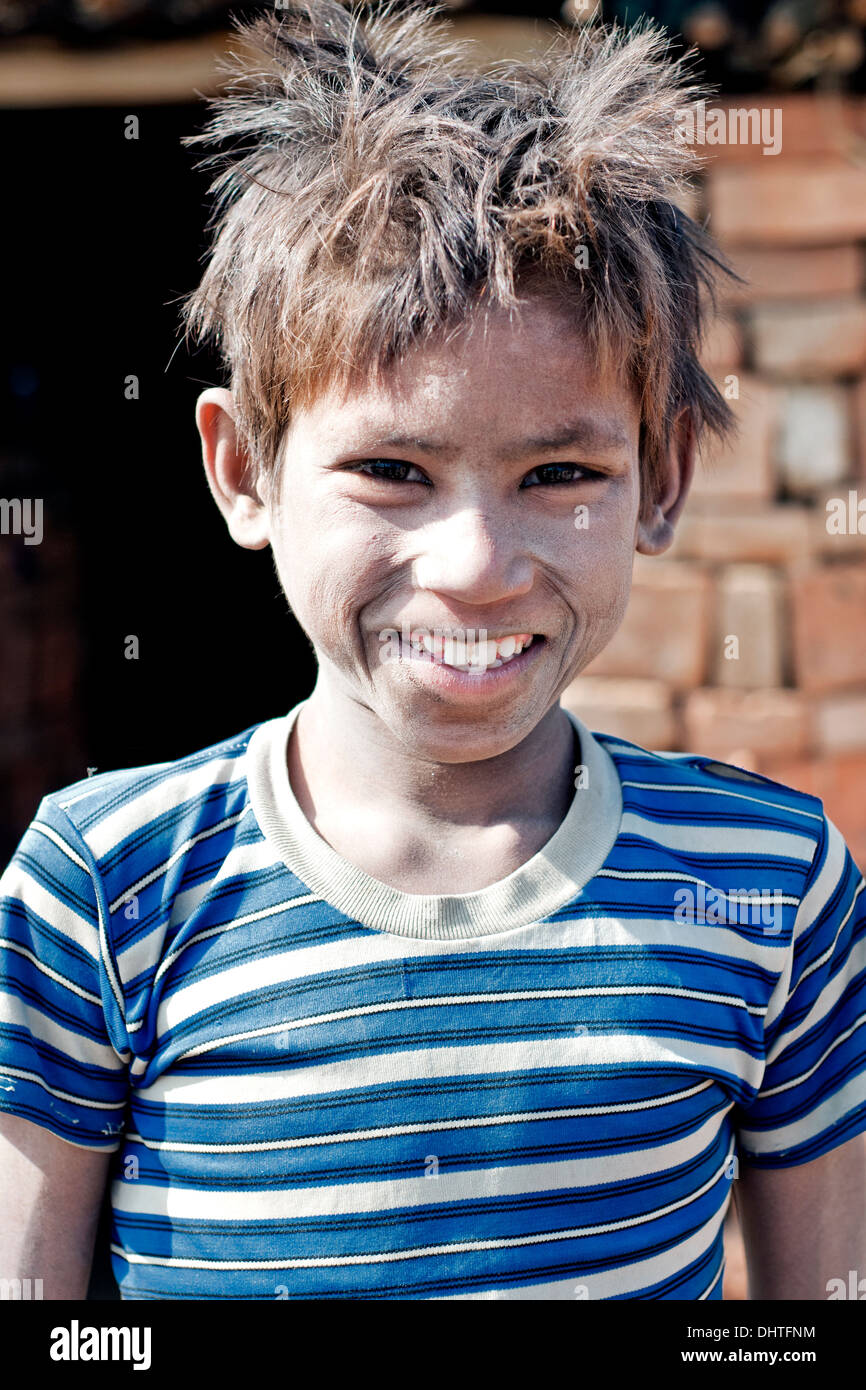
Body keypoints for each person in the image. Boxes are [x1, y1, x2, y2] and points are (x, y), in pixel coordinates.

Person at [1, 0, 864, 1301]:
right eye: (392, 468)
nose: (472, 563)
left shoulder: (768, 885)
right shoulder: (101, 890)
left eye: (560, 470)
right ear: (244, 472)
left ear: (663, 482)